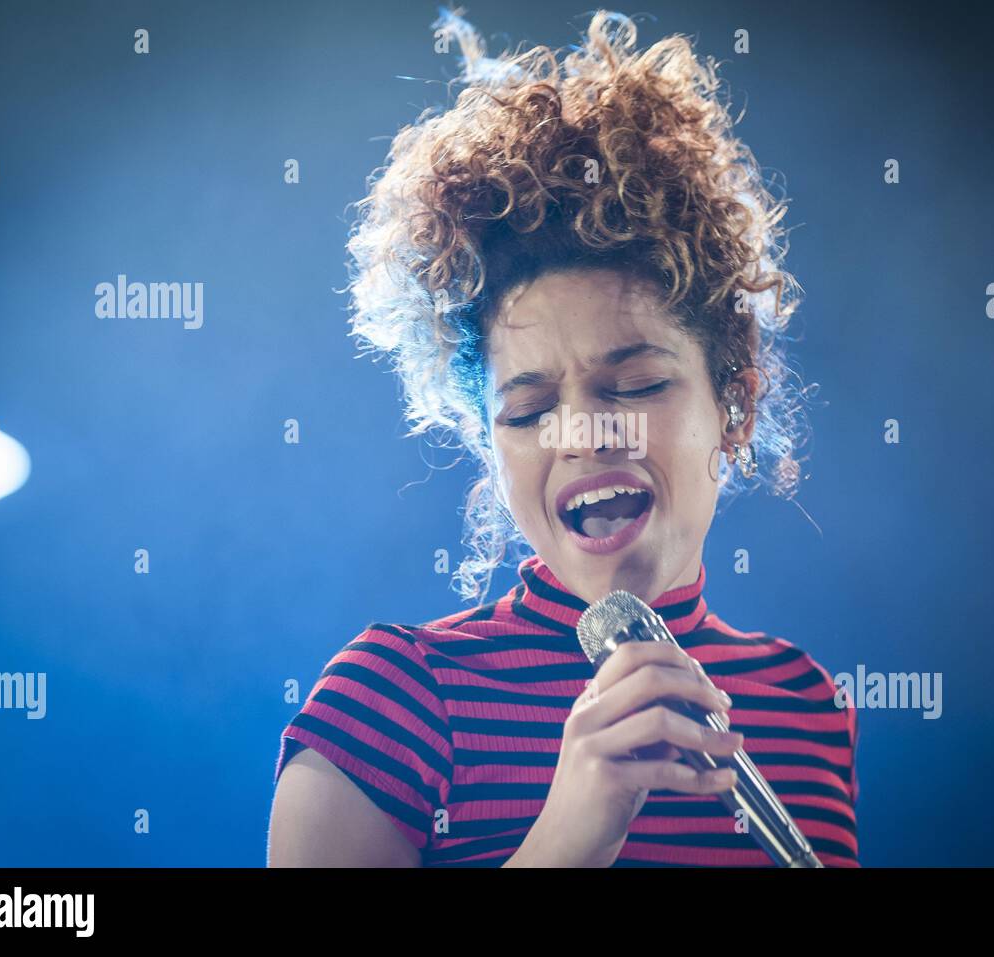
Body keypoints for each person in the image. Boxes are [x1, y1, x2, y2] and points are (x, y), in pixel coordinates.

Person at [267, 8, 859, 867]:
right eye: (529, 407)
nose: (582, 432)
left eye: (637, 384)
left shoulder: (804, 703)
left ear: (736, 400)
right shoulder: (391, 701)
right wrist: (569, 834)